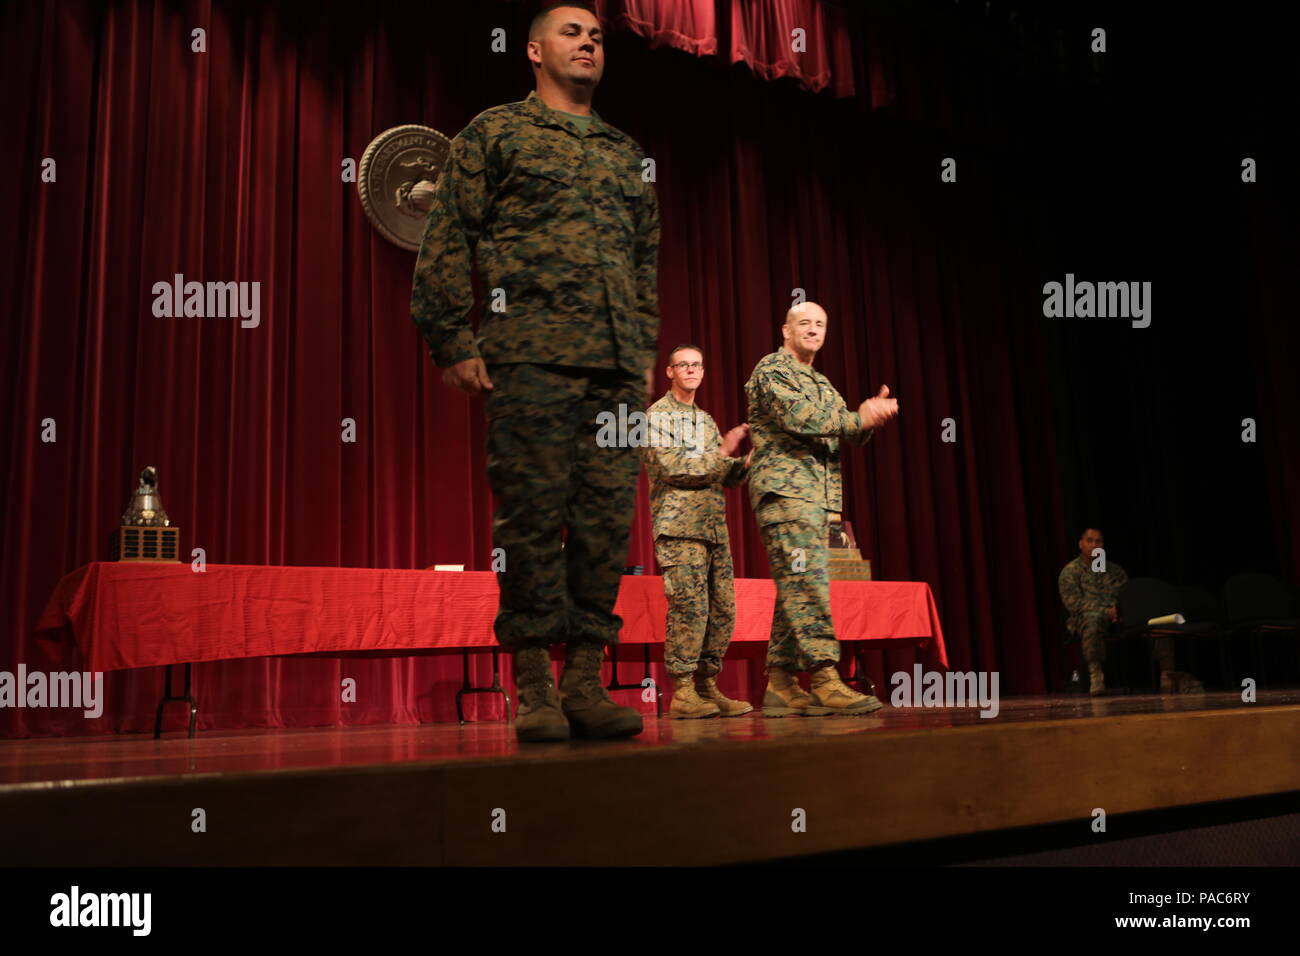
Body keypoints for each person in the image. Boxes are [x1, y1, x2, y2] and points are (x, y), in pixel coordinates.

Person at [409, 1, 659, 741]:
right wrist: (451, 334)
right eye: (571, 33)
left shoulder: (624, 152)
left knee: (606, 524)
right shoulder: (496, 132)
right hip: (531, 355)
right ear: (533, 51)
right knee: (529, 519)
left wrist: (641, 353)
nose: (587, 43)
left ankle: (584, 679)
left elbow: (644, 263)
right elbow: (450, 229)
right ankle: (534, 687)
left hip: (615, 368)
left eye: (597, 36)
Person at [744, 302, 899, 716]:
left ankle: (780, 683)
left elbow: (845, 429)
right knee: (808, 583)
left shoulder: (821, 381)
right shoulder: (772, 370)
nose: (813, 330)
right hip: (786, 494)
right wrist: (856, 418)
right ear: (786, 330)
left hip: (816, 501)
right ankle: (827, 677)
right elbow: (802, 418)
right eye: (804, 323)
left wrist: (869, 419)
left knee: (796, 585)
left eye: (820, 324)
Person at [643, 345, 753, 718]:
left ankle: (708, 686)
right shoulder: (657, 416)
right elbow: (673, 466)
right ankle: (684, 691)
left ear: (703, 372)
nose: (690, 370)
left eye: (696, 365)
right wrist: (722, 455)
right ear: (670, 372)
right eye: (683, 365)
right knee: (689, 608)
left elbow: (720, 472)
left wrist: (745, 463)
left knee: (722, 610)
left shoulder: (704, 419)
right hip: (679, 527)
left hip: (713, 529)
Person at [1058, 527, 1177, 695]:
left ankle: (1167, 673)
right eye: (1089, 541)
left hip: (1120, 617)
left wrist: (1120, 610)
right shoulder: (1070, 572)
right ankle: (1096, 675)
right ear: (1080, 544)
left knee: (1156, 619)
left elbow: (1127, 595)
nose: (1094, 545)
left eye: (1098, 541)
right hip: (1086, 618)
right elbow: (1074, 604)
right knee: (1092, 620)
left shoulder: (1115, 571)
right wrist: (1106, 612)